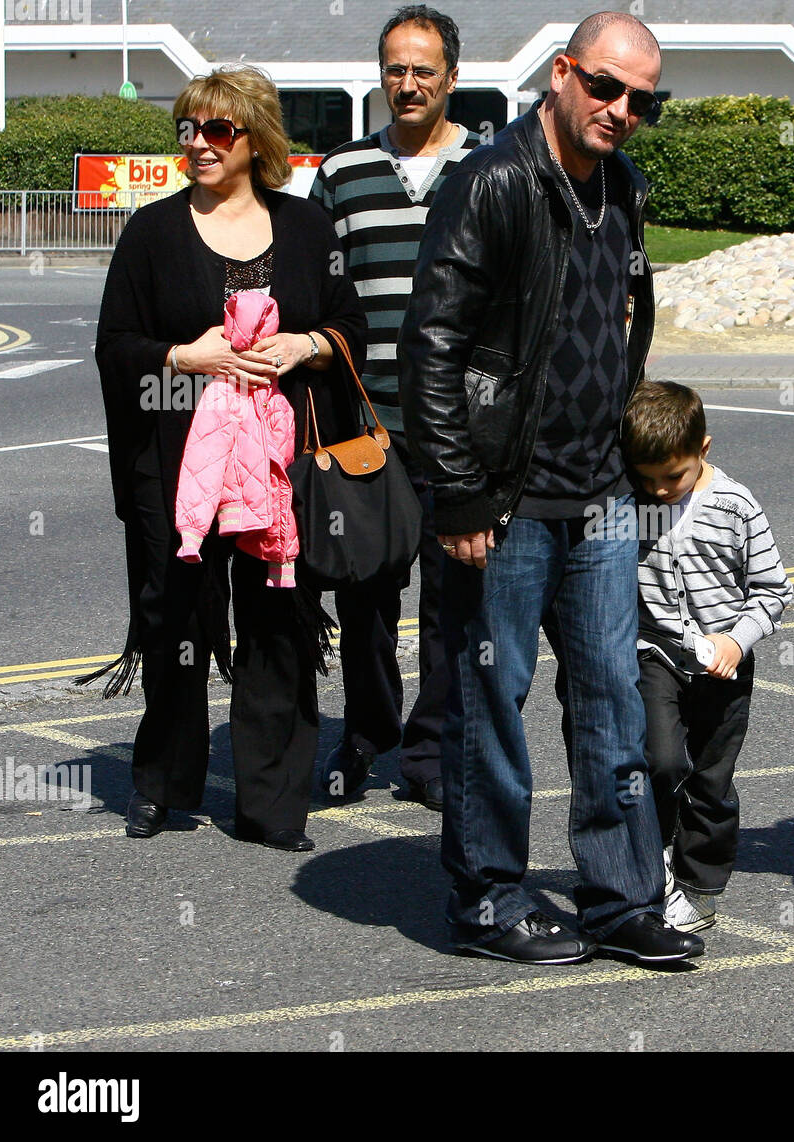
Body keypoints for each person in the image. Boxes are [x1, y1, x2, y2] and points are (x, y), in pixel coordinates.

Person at [398, 11, 703, 966]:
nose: (621, 111)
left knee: (613, 697)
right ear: (563, 74)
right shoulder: (491, 181)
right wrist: (457, 493)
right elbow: (432, 345)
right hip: (503, 498)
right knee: (493, 700)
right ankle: (488, 896)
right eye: (606, 88)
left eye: (641, 101)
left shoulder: (624, 186)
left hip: (600, 492)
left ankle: (619, 898)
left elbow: (623, 319)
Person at [90, 65, 367, 852]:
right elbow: (115, 347)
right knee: (173, 614)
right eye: (188, 129)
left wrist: (307, 344)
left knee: (279, 619)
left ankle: (272, 803)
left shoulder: (309, 229)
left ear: (257, 139)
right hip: (178, 461)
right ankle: (162, 783)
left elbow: (353, 324)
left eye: (218, 130)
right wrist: (186, 355)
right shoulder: (152, 231)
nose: (199, 145)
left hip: (281, 464)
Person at [309, 4, 481, 810]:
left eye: (424, 70)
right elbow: (311, 290)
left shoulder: (489, 168)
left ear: (452, 77)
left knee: (453, 606)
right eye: (394, 69)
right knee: (365, 598)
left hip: (458, 433)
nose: (407, 84)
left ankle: (431, 754)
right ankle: (364, 737)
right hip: (364, 428)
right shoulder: (342, 173)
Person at [622, 381, 792, 933]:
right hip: (655, 655)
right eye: (647, 479)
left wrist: (735, 640)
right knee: (662, 761)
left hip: (724, 667)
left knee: (712, 777)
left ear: (704, 450)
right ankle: (653, 864)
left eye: (673, 476)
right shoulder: (630, 500)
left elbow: (772, 590)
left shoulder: (734, 505)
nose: (660, 490)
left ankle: (699, 884)